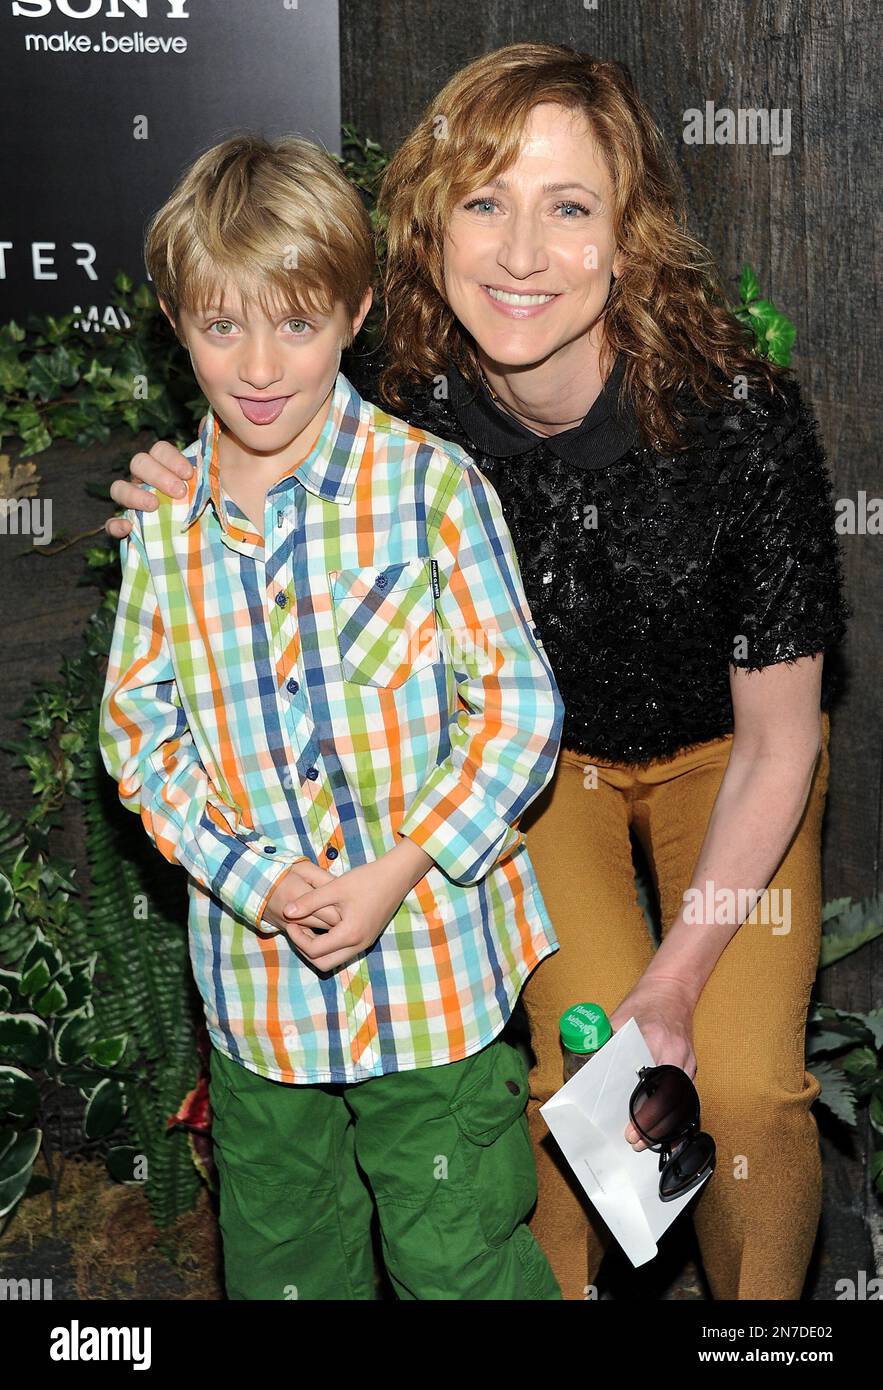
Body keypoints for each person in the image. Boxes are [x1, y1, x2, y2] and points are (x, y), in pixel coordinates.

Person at [105, 46, 851, 1301]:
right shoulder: (397, 387)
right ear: (430, 224)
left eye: (568, 208)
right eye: (484, 202)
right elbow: (259, 393)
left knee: (733, 1083)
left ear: (627, 238)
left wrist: (674, 984)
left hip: (729, 765)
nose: (519, 253)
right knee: (579, 1069)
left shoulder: (734, 414)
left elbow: (780, 740)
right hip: (533, 772)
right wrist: (176, 485)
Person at [98, 131, 568, 1301]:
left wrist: (397, 869)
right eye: (222, 327)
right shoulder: (164, 525)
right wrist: (254, 879)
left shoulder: (431, 489)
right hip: (261, 1010)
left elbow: (517, 711)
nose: (260, 366)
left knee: (459, 1263)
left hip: (436, 980)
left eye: (297, 324)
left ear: (356, 310)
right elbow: (138, 738)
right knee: (287, 1272)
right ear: (175, 318)